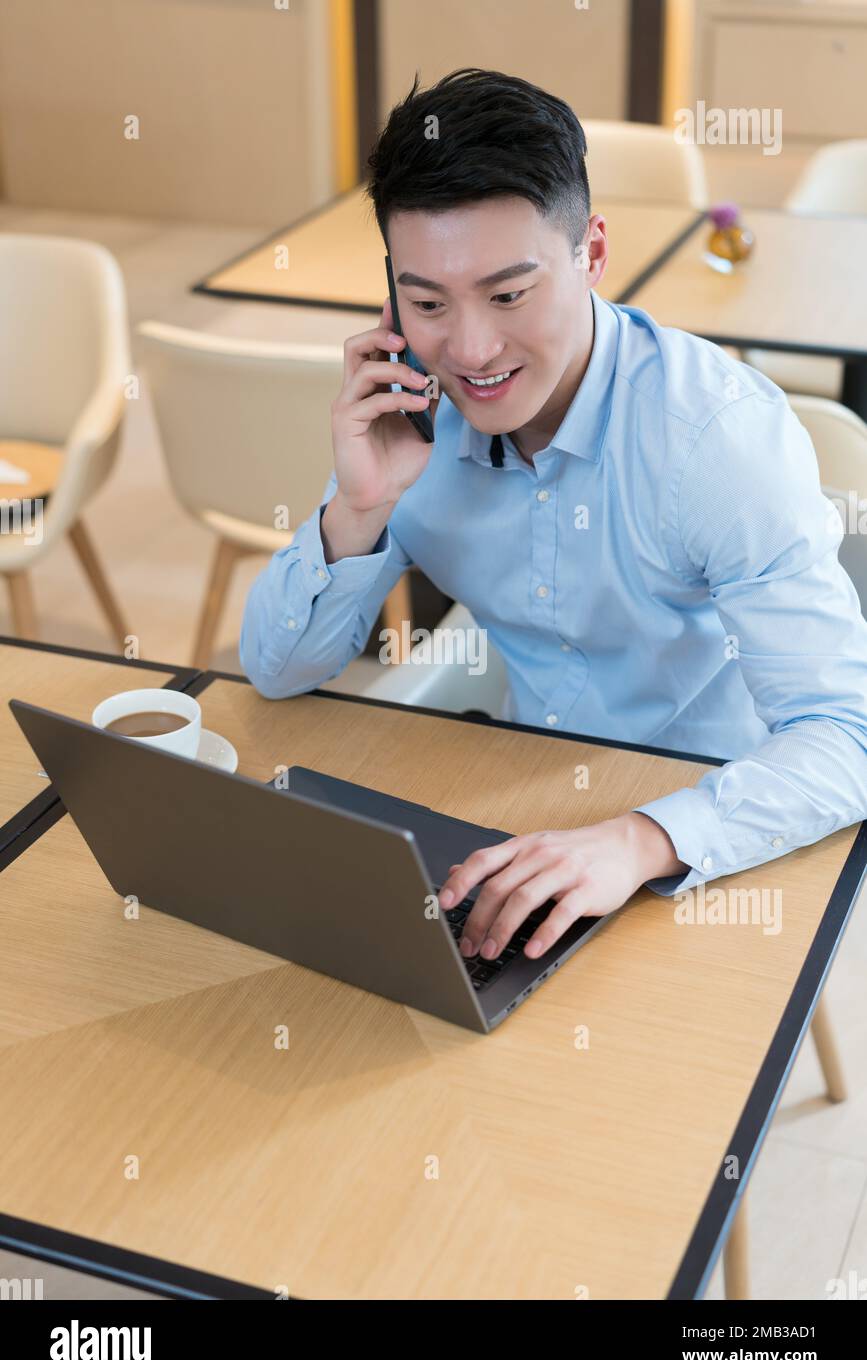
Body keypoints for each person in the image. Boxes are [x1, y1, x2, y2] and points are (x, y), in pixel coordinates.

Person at [240, 68, 867, 963]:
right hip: (520, 802)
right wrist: (361, 505)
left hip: (711, 823)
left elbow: (848, 733)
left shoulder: (715, 442)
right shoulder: (411, 419)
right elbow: (275, 671)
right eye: (426, 304)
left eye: (508, 294)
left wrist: (638, 839)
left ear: (591, 253)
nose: (471, 349)